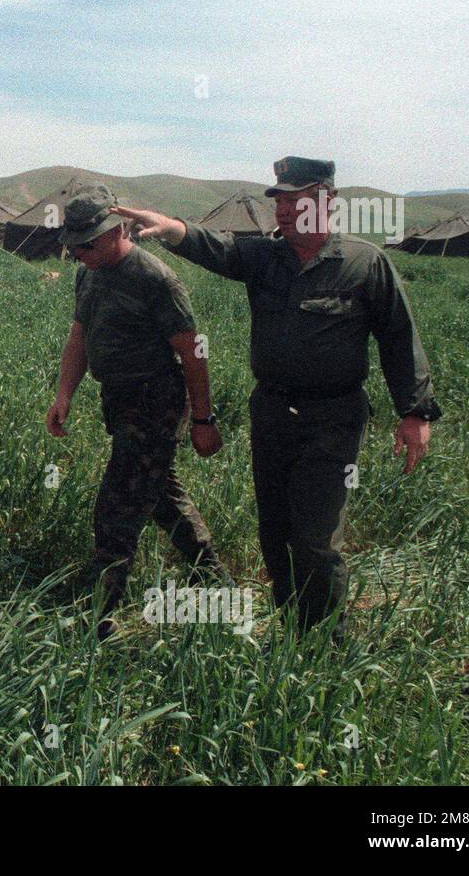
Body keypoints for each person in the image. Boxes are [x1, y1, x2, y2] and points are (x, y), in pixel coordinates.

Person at [112, 156, 441, 639]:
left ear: (327, 200)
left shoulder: (364, 263)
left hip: (334, 418)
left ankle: (328, 643)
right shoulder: (266, 258)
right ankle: (295, 635)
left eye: (296, 199)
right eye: (280, 201)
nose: (284, 210)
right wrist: (171, 228)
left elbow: (398, 336)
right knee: (277, 536)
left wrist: (414, 411)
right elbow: (217, 248)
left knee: (314, 539)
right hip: (272, 415)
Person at [47, 185, 229, 641]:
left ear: (118, 229)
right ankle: (214, 576)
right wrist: (65, 393)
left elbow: (193, 351)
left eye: (88, 242)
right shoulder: (88, 274)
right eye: (74, 244)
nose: (80, 252)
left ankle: (98, 618)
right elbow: (80, 334)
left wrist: (204, 421)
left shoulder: (154, 279)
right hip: (119, 400)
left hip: (155, 402)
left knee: (118, 507)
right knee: (160, 494)